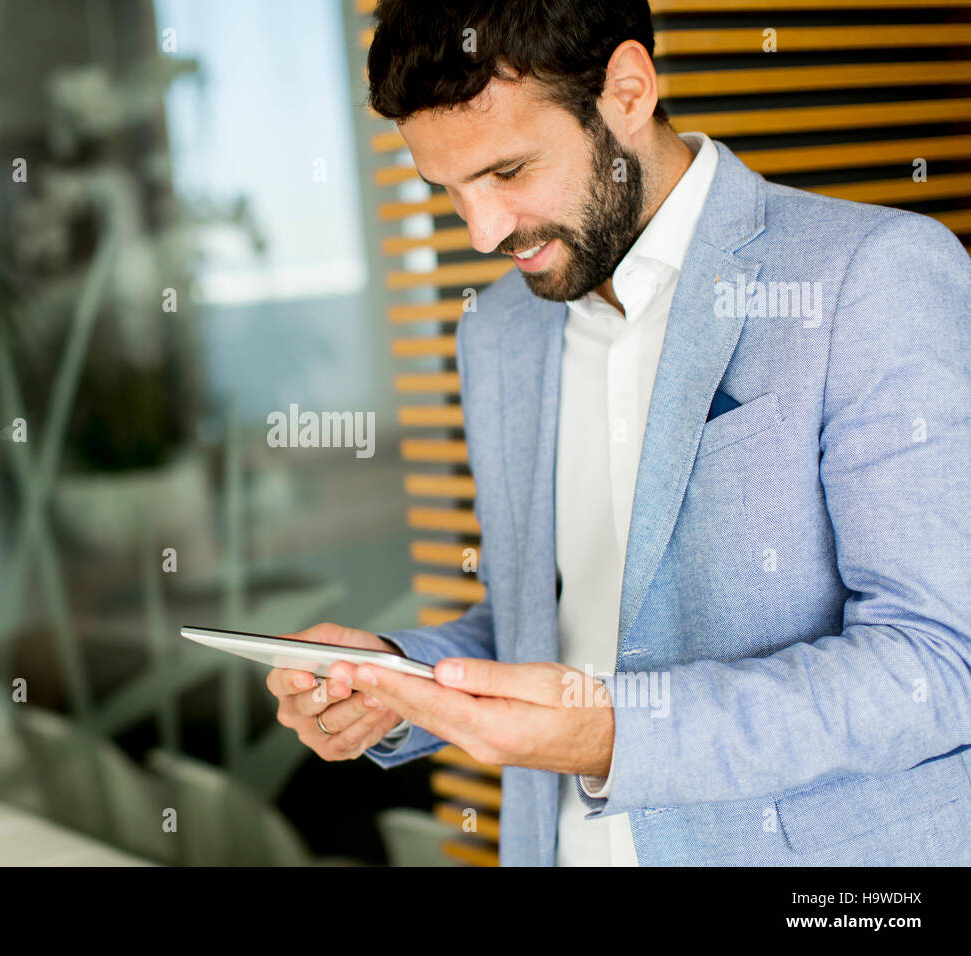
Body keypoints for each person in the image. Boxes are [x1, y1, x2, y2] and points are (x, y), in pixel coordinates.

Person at [266, 0, 971, 865]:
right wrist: (395, 676)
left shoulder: (871, 273)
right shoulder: (498, 331)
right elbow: (547, 624)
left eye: (508, 171)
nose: (483, 230)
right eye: (446, 191)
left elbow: (937, 666)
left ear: (628, 91)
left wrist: (612, 736)